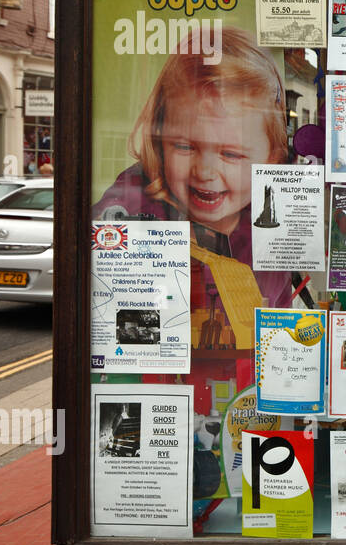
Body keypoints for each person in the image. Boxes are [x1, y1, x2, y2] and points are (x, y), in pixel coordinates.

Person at [92, 29, 294, 330]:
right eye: (185, 147)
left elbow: (279, 316)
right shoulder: (132, 203)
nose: (205, 171)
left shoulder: (271, 227)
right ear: (159, 141)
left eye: (231, 154)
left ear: (271, 159)